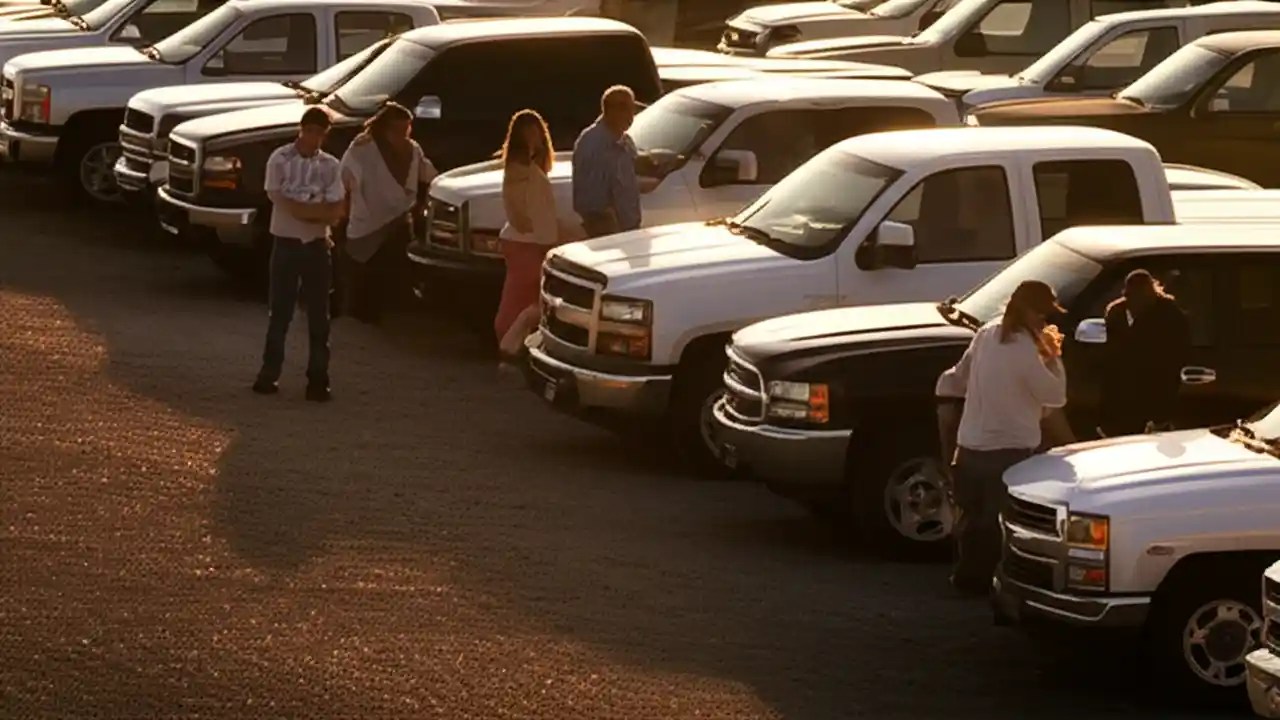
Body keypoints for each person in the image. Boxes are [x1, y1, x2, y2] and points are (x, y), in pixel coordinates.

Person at [935, 280, 1068, 596]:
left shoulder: (985, 334)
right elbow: (1056, 394)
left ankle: (966, 580)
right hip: (1009, 454)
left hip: (968, 450)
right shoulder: (1025, 349)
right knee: (1002, 528)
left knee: (971, 522)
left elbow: (958, 378)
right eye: (1043, 314)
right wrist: (1054, 356)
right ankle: (997, 589)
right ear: (1029, 311)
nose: (1045, 321)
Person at [252, 107, 345, 402]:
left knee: (319, 315)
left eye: (321, 134)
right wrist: (316, 211)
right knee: (280, 311)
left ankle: (318, 379)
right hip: (287, 242)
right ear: (302, 129)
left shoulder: (330, 165)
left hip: (317, 245)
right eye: (312, 131)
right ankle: (268, 373)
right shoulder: (280, 159)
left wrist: (315, 213)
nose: (315, 139)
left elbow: (336, 208)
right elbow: (281, 199)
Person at [494, 109, 585, 366]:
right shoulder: (526, 172)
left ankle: (512, 347)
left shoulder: (521, 170)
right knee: (529, 302)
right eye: (530, 135)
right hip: (529, 244)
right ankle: (509, 347)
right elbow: (533, 215)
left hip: (522, 241)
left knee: (520, 299)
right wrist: (550, 241)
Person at [339, 102, 436, 325]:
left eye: (407, 129)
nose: (404, 135)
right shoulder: (361, 150)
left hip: (399, 218)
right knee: (363, 269)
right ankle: (358, 313)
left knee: (393, 267)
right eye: (398, 130)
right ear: (385, 129)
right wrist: (341, 213)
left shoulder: (413, 149)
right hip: (368, 219)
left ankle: (393, 309)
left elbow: (428, 175)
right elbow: (343, 182)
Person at [1099, 269, 1190, 436]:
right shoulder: (1117, 312)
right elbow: (1109, 348)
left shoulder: (1169, 314)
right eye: (1130, 296)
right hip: (1124, 392)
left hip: (1156, 388)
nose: (1134, 303)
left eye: (1139, 296)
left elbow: (1176, 354)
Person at [572, 85, 641, 238]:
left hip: (628, 228)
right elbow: (591, 198)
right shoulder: (592, 143)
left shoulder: (625, 140)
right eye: (624, 108)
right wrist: (609, 227)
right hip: (607, 229)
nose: (631, 115)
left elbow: (629, 175)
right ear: (608, 110)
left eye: (632, 108)